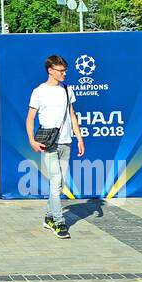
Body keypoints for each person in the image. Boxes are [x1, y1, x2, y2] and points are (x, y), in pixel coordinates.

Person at [27, 54, 84, 240]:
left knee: (59, 184)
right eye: (61, 70)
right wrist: (31, 140)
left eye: (65, 70)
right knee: (56, 181)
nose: (64, 73)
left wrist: (79, 138)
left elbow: (72, 115)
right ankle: (59, 222)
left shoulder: (67, 89)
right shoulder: (39, 92)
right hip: (49, 144)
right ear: (50, 71)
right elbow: (30, 118)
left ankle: (49, 217)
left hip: (66, 142)